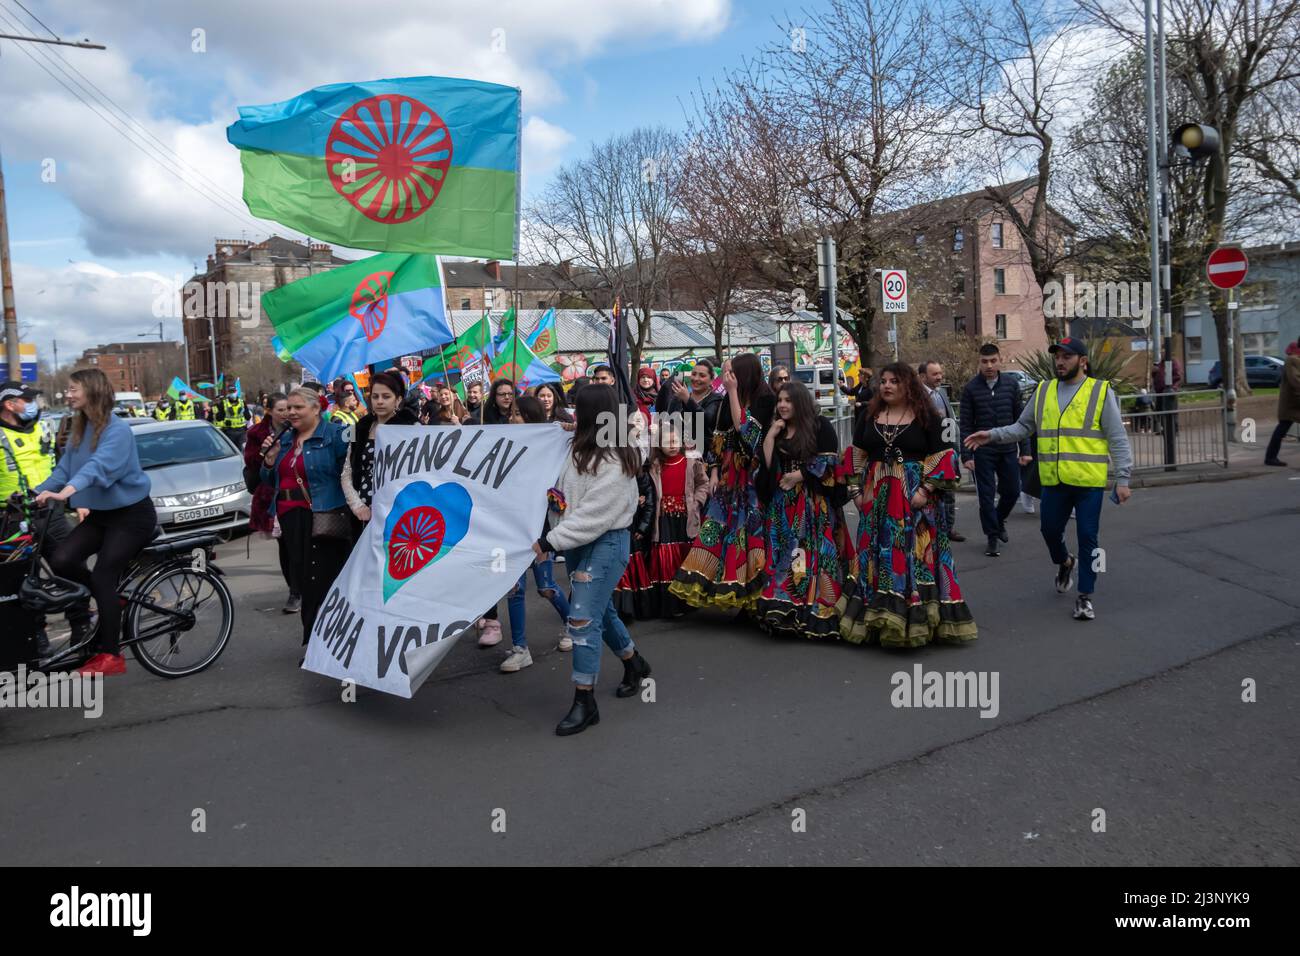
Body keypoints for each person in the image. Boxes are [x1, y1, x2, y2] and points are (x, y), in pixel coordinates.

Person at [965, 337, 1133, 621]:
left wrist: (1123, 477)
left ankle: (1085, 596)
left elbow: (1117, 437)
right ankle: (1065, 562)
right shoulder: (1044, 391)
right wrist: (991, 435)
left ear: (1083, 361)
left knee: (1088, 537)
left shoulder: (1100, 392)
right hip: (1054, 481)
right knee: (1049, 531)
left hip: (1088, 482)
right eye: (1057, 356)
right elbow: (1022, 427)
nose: (1060, 362)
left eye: (1067, 356)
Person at [535, 384, 649, 736]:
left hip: (606, 544)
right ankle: (634, 662)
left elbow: (594, 514)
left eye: (578, 409)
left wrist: (549, 541)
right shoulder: (577, 446)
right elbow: (561, 495)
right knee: (602, 611)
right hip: (577, 545)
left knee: (582, 619)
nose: (572, 413)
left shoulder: (616, 457)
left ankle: (585, 700)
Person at [839, 362, 975, 648]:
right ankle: (877, 616)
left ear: (908, 386)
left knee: (914, 555)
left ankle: (915, 617)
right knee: (876, 554)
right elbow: (855, 454)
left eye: (894, 381)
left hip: (914, 500)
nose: (887, 386)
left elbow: (945, 457)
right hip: (876, 500)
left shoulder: (928, 417)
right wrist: (856, 492)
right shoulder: (869, 416)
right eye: (884, 381)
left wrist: (925, 490)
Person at [33, 368, 156, 676]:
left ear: (92, 390)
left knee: (102, 576)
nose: (68, 394)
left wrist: (68, 492)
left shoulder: (117, 430)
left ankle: (112, 656)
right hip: (102, 515)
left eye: (73, 389)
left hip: (131, 515)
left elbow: (99, 467)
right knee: (62, 560)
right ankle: (111, 598)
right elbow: (64, 470)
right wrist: (36, 494)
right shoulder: (80, 428)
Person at [670, 352, 775, 611]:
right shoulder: (729, 398)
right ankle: (717, 586)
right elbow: (719, 438)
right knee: (715, 530)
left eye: (733, 372)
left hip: (752, 477)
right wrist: (715, 471)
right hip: (727, 476)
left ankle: (752, 597)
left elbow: (746, 433)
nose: (728, 377)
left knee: (749, 535)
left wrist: (733, 393)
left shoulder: (765, 398)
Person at [0, 382, 92, 654]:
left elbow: (64, 466)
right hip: (11, 519)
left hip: (51, 512)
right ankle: (35, 635)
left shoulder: (44, 428)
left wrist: (77, 501)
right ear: (9, 404)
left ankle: (82, 626)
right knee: (21, 581)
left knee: (72, 565)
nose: (33, 404)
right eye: (27, 400)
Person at [259, 386, 351, 647]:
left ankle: (327, 642)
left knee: (321, 580)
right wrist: (269, 461)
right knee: (302, 579)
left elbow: (350, 472)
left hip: (323, 515)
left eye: (298, 407)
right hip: (290, 517)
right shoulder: (285, 438)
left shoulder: (336, 433)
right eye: (289, 407)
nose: (291, 412)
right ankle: (314, 642)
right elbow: (269, 479)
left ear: (316, 408)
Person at [756, 379, 848, 638]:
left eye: (788, 400)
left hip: (811, 504)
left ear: (800, 402)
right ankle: (786, 603)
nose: (783, 405)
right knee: (785, 553)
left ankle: (809, 607)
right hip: (782, 505)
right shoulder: (779, 428)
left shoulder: (820, 425)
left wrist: (801, 475)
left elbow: (830, 464)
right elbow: (766, 464)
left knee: (806, 553)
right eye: (780, 401)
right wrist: (770, 435)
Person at [497, 395, 573, 672]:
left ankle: (574, 626)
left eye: (518, 413)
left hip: (540, 529)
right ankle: (520, 648)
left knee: (546, 587)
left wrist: (569, 428)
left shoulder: (551, 442)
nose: (512, 418)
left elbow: (588, 437)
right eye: (511, 413)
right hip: (510, 528)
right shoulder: (504, 443)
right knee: (514, 589)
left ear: (531, 416)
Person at [960, 343, 1029, 557]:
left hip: (1008, 449)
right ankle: (992, 537)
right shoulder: (971, 389)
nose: (989, 366)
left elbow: (1021, 419)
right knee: (986, 496)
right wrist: (966, 455)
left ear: (1000, 361)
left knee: (1013, 491)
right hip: (982, 452)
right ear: (979, 362)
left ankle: (998, 521)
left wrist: (1025, 449)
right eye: (984, 361)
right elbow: (965, 424)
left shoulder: (1011, 385)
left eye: (993, 361)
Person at [245, 393, 300, 613]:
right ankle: (294, 592)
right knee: (285, 545)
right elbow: (251, 462)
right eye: (281, 410)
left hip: (299, 492)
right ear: (269, 411)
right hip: (272, 495)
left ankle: (303, 588)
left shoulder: (298, 427)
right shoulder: (257, 433)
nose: (287, 413)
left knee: (299, 545)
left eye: (289, 408)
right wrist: (267, 455)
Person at [341, 371, 417, 525]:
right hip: (363, 516)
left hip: (399, 513)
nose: (380, 401)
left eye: (386, 396)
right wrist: (357, 506)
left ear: (398, 400)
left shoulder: (412, 428)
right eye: (375, 397)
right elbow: (346, 473)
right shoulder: (359, 428)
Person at [918, 360, 965, 542]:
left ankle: (948, 528)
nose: (939, 377)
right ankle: (931, 531)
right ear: (923, 377)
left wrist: (956, 449)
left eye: (940, 373)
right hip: (928, 455)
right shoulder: (916, 397)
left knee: (949, 492)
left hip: (947, 451)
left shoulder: (942, 393)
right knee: (930, 494)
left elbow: (950, 421)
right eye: (935, 374)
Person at [656, 358, 725, 454]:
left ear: (711, 379)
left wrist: (688, 400)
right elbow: (669, 424)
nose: (696, 378)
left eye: (702, 375)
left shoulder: (716, 399)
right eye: (694, 374)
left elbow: (707, 420)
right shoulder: (679, 397)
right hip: (680, 454)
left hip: (704, 455)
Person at [1264, 337, 1300, 466]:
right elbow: (1296, 381)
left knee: (1282, 429)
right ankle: (1270, 457)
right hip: (1292, 402)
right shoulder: (1292, 360)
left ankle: (1270, 457)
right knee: (1281, 429)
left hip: (1294, 402)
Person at [216, 385, 247, 450]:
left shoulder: (224, 403)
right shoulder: (242, 402)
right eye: (231, 392)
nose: (232, 393)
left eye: (233, 391)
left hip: (234, 431)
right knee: (240, 450)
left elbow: (218, 418)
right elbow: (248, 417)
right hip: (234, 431)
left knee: (235, 450)